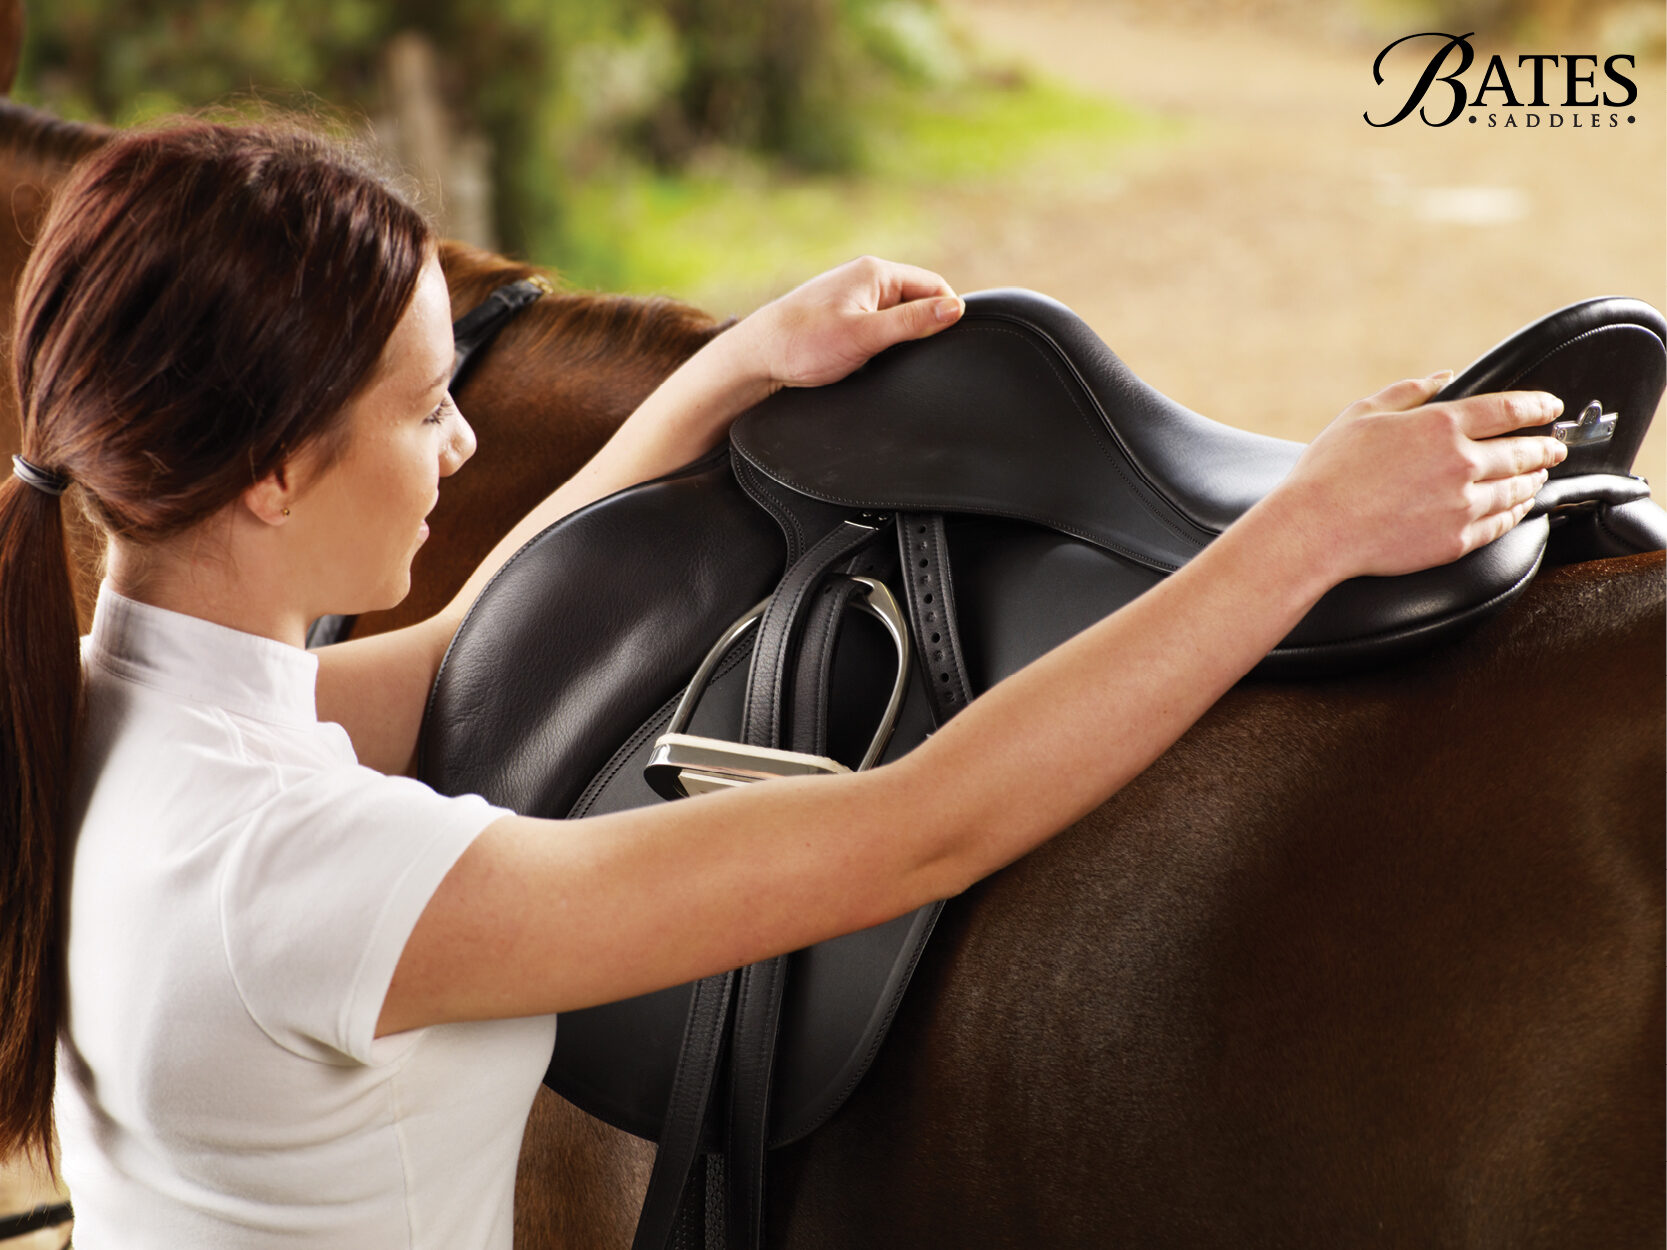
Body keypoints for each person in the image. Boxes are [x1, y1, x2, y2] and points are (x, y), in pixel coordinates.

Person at [0, 119, 1565, 1248]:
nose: (463, 442)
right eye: (423, 411)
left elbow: (478, 635)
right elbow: (920, 829)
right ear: (273, 473)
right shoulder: (308, 874)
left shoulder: (95, 706)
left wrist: (736, 367)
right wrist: (1303, 536)